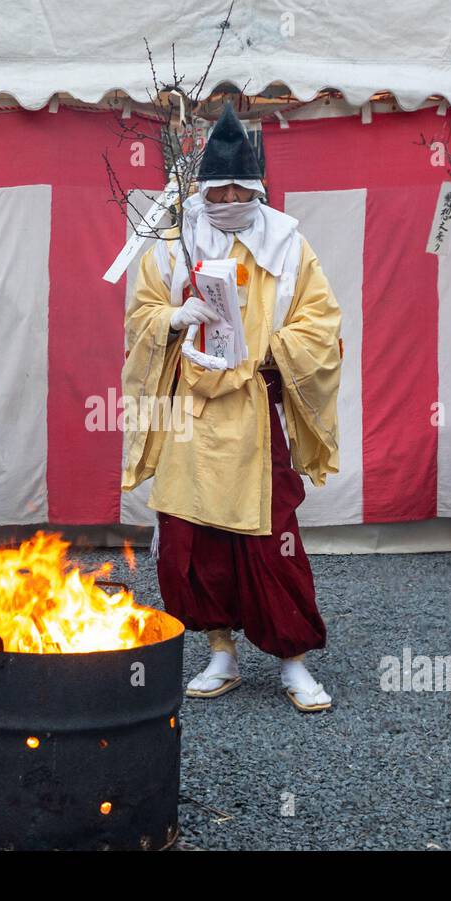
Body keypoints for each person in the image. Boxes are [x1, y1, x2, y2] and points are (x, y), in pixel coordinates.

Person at [121, 105, 342, 712]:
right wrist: (173, 317)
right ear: (200, 188)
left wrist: (274, 348)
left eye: (240, 187)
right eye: (217, 188)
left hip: (254, 407)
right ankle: (221, 651)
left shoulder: (288, 244)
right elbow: (139, 316)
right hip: (191, 416)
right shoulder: (172, 246)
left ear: (259, 186)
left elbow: (321, 322)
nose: (229, 197)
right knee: (197, 539)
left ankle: (293, 659)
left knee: (273, 540)